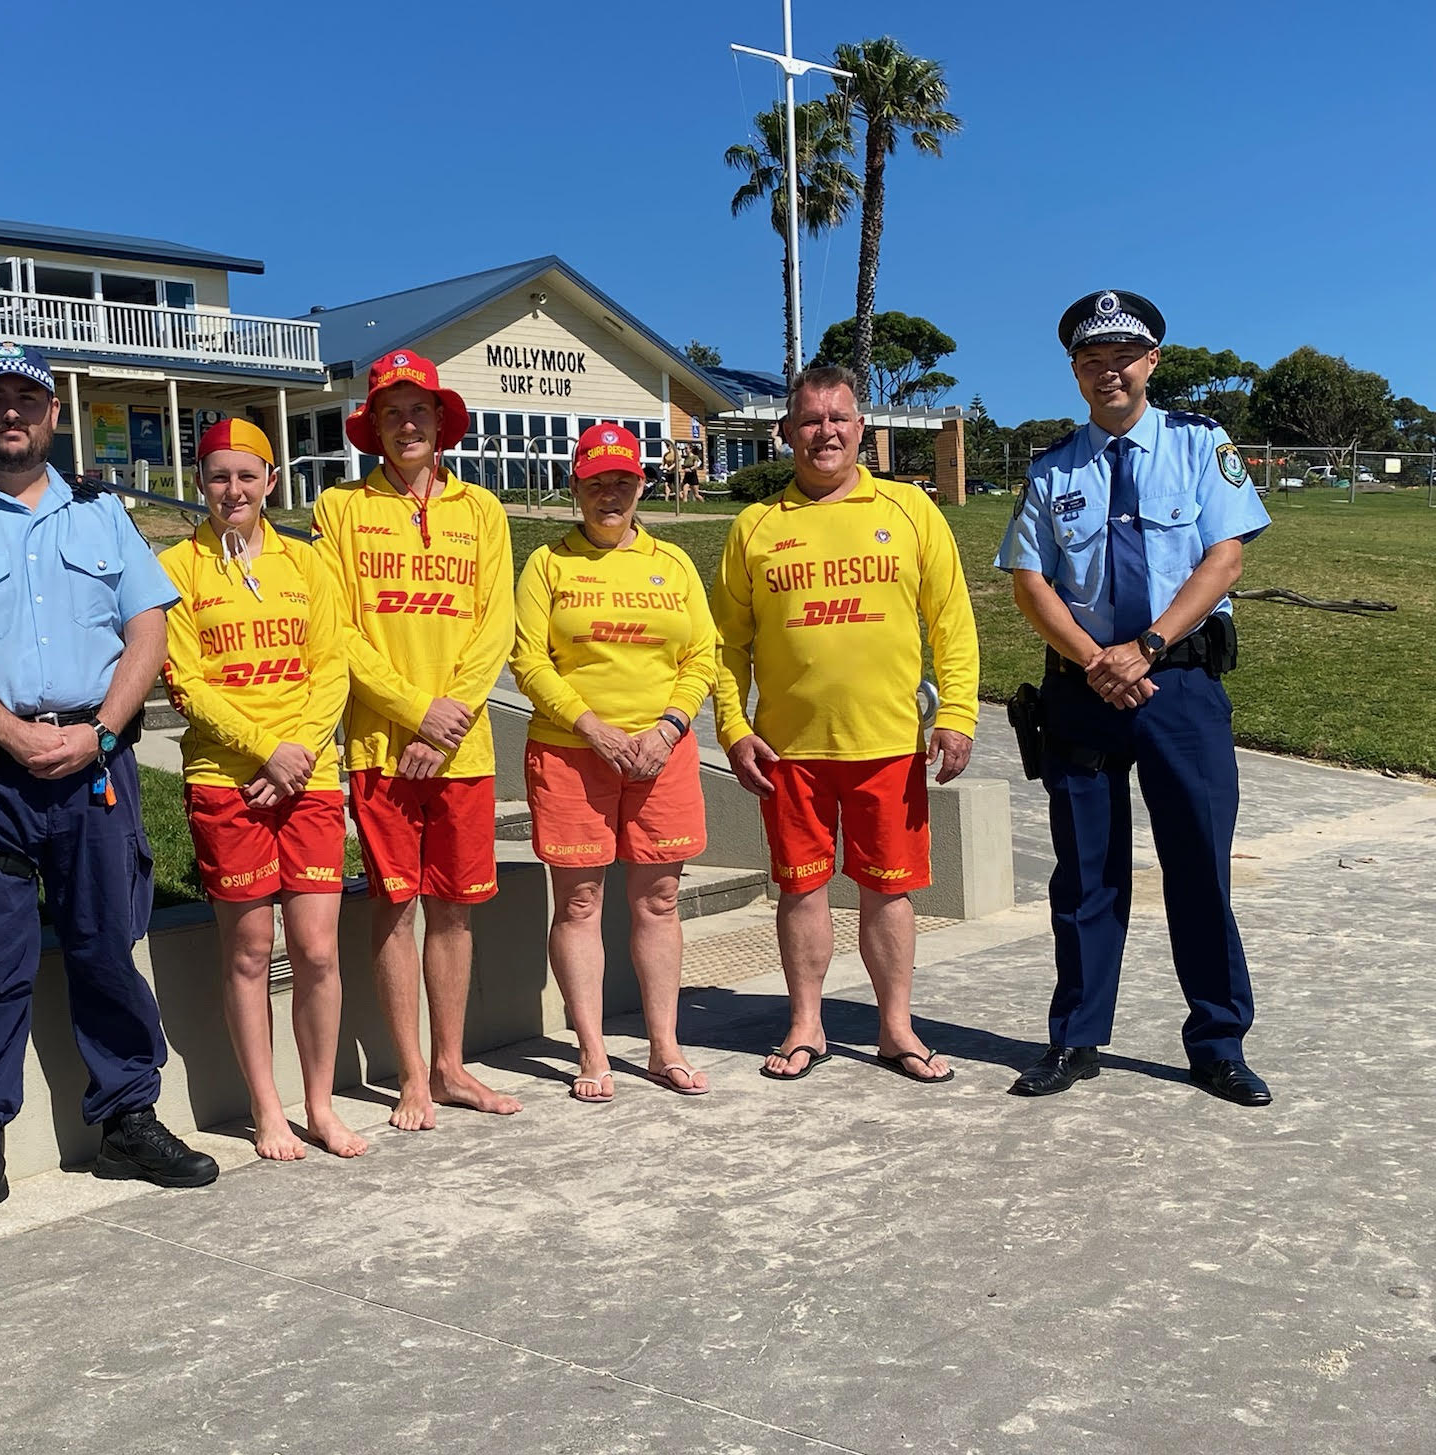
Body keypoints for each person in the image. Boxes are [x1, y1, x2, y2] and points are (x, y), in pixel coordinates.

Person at [0, 343, 216, 1230]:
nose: (13, 415)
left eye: (28, 402)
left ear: (52, 417)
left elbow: (147, 629)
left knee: (106, 947)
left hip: (97, 765)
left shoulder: (103, 516)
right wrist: (8, 734)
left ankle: (127, 1117)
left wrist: (104, 731)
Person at [996, 290, 1272, 1106]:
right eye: (1091, 360)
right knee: (1085, 878)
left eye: (1124, 356)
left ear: (1152, 362)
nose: (1108, 371)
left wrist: (1144, 647)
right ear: (1075, 371)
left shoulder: (1199, 446)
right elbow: (1028, 581)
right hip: (1082, 693)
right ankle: (1076, 1040)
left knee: (1198, 868)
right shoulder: (1053, 469)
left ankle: (1218, 1044)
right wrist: (1095, 661)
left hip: (1178, 686)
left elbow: (1224, 558)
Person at [710, 363, 980, 1084]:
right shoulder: (756, 527)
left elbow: (951, 621)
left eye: (838, 418)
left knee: (888, 890)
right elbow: (725, 645)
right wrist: (734, 730)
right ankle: (806, 1025)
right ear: (787, 431)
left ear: (863, 427)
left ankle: (896, 1029)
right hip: (789, 747)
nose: (824, 431)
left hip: (887, 742)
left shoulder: (910, 511)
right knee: (800, 889)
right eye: (810, 420)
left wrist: (955, 714)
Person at [311, 349, 519, 1130]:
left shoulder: (483, 511)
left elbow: (494, 624)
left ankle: (451, 1063)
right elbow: (338, 631)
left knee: (457, 911)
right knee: (396, 908)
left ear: (442, 421)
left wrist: (450, 714)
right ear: (373, 426)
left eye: (420, 410)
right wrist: (411, 713)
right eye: (392, 412)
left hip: (462, 748)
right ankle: (411, 1077)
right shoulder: (342, 509)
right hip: (380, 749)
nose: (407, 424)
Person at [157, 418, 365, 1161]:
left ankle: (319, 1104)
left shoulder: (307, 565)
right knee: (249, 950)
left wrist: (300, 752)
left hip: (308, 776)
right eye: (218, 477)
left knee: (315, 950)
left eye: (247, 476)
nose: (233, 490)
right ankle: (267, 1110)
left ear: (271, 481)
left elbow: (330, 667)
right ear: (200, 484)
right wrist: (263, 752)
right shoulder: (177, 567)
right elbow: (184, 678)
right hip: (228, 780)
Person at [511, 425, 718, 1100]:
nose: (609, 494)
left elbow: (702, 656)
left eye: (622, 482)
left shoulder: (674, 562)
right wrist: (591, 726)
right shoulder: (548, 564)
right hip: (574, 753)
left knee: (658, 899)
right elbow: (529, 659)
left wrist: (669, 725)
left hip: (664, 751)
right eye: (596, 481)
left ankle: (664, 1046)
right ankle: (592, 1052)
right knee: (578, 902)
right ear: (575, 486)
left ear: (640, 486)